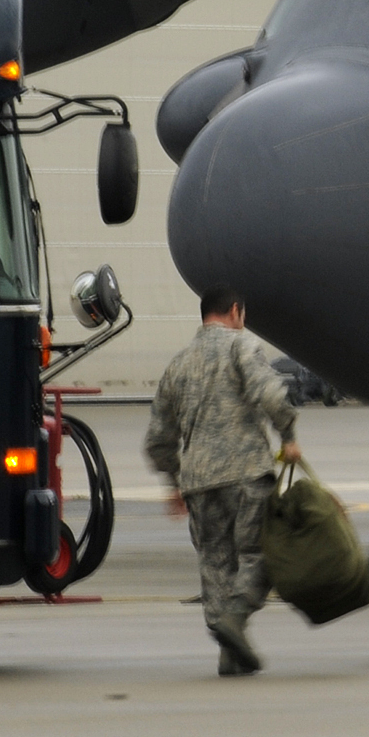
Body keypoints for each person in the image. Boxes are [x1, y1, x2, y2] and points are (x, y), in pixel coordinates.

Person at [144, 285, 301, 678]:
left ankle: (228, 653)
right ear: (236, 311)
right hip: (246, 472)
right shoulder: (241, 347)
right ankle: (235, 619)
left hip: (198, 481)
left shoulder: (178, 365)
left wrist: (173, 481)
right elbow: (273, 395)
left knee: (215, 562)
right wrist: (289, 435)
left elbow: (159, 439)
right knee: (261, 554)